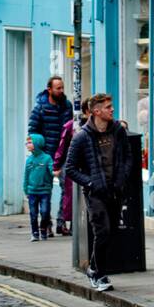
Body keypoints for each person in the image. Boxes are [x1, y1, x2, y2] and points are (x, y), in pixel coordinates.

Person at [63, 93, 136, 293]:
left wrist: (124, 176)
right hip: (96, 193)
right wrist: (90, 183)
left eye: (111, 106)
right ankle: (100, 273)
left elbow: (128, 156)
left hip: (116, 190)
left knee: (110, 231)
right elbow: (70, 168)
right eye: (108, 107)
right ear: (96, 111)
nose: (112, 110)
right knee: (102, 230)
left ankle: (94, 268)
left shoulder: (118, 131)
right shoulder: (82, 137)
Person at [51, 99, 86, 236]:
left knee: (72, 195)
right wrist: (57, 165)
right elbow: (62, 147)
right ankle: (62, 223)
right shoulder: (71, 126)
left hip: (79, 164)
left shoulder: (87, 126)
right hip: (69, 165)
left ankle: (70, 224)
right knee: (67, 195)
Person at [24, 133, 54, 241]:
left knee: (45, 212)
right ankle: (35, 233)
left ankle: (43, 229)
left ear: (37, 143)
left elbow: (52, 170)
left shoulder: (47, 158)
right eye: (27, 142)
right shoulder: (29, 160)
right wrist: (25, 189)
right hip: (32, 191)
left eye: (30, 142)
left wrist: (55, 172)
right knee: (33, 213)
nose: (27, 144)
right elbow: (26, 176)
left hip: (45, 191)